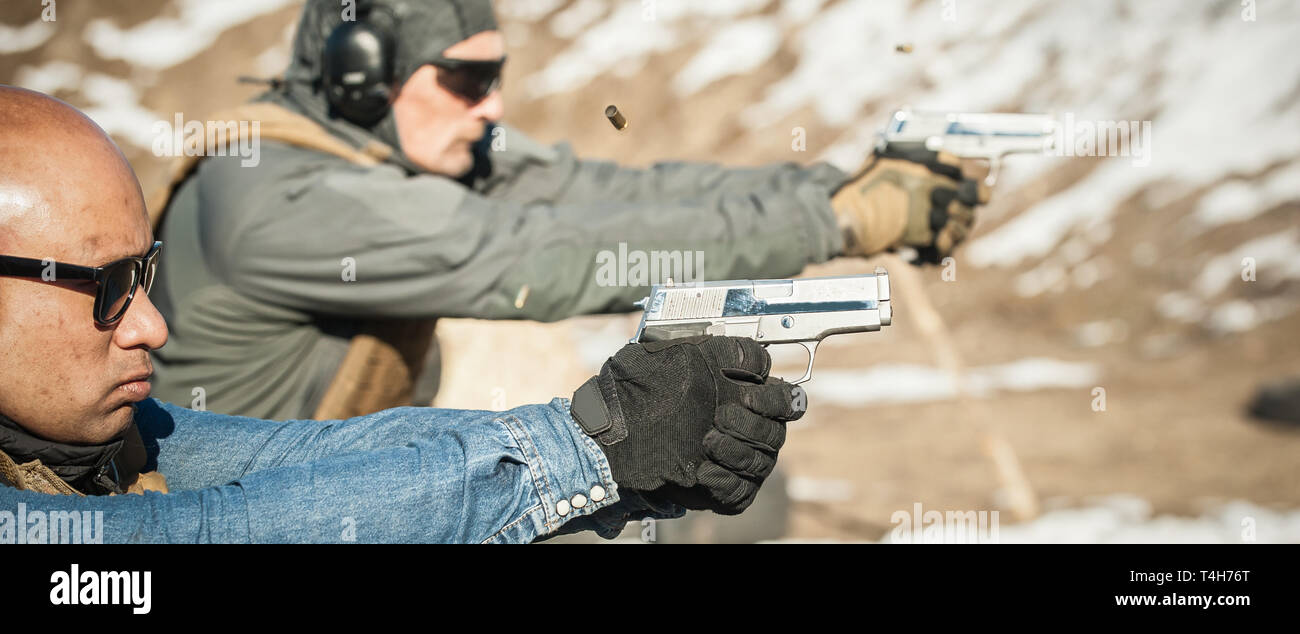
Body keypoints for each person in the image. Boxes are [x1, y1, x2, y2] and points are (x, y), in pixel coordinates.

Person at [0, 85, 804, 543]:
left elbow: (308, 461)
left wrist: (609, 449)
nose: (149, 325)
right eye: (106, 289)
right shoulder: (284, 195)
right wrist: (583, 451)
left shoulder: (91, 438)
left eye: (145, 276)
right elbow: (208, 535)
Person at [146, 0, 988, 420]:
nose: (493, 107)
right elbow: (545, 260)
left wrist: (833, 193)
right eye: (468, 81)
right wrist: (834, 229)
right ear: (359, 77)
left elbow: (611, 197)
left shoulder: (395, 150)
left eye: (497, 76)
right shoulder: (287, 196)